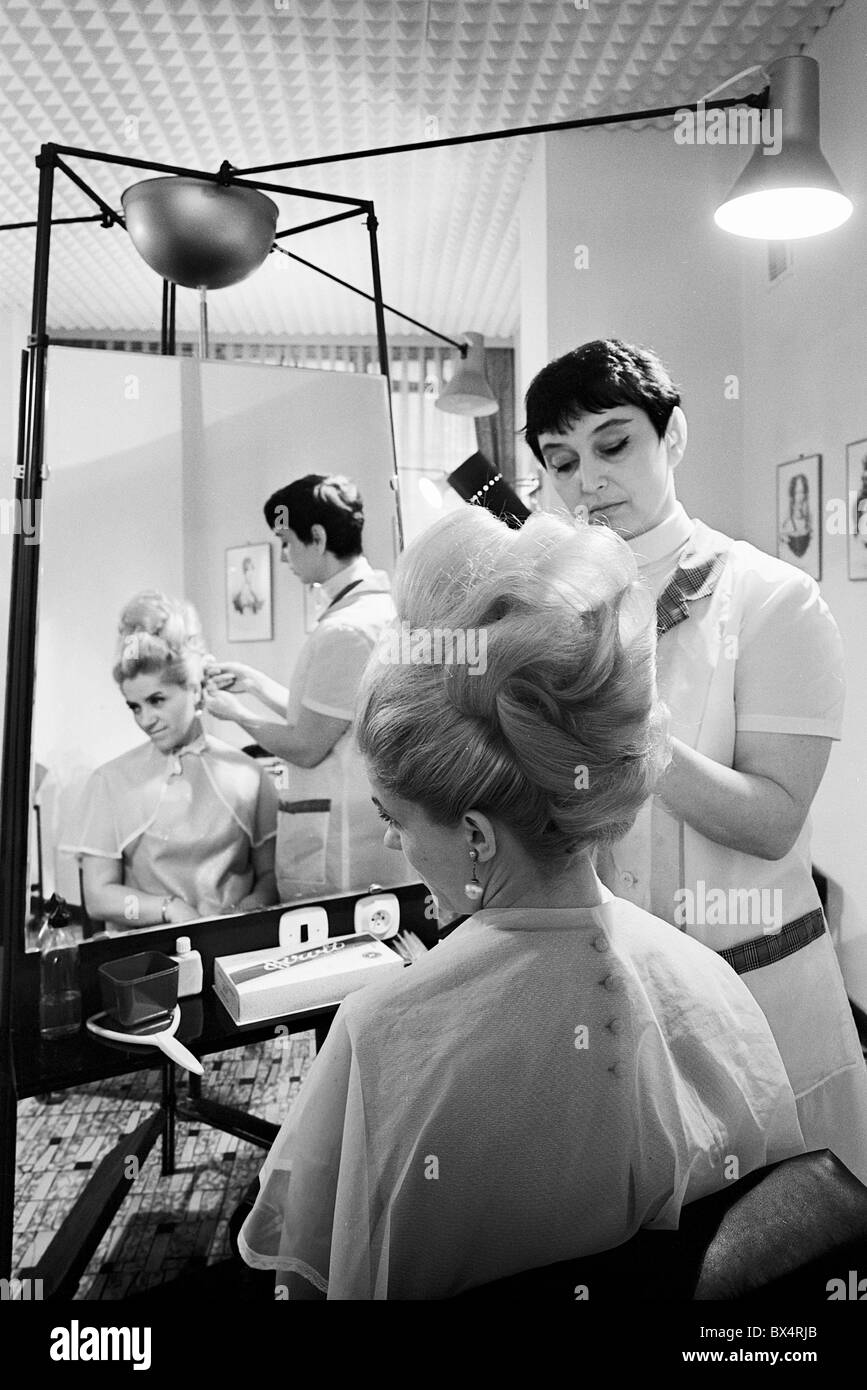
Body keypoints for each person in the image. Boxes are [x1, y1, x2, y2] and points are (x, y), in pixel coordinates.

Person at [237, 507, 805, 1300]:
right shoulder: (715, 988)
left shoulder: (382, 1034)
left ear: (474, 832)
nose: (399, 847)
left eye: (396, 820)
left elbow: (307, 1282)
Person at [523, 337, 867, 1185]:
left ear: (672, 437)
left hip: (754, 987)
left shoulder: (772, 599)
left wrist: (628, 729)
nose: (587, 481)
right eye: (559, 462)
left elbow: (773, 819)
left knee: (780, 1243)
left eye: (613, 443)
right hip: (611, 986)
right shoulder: (555, 609)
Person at [205, 474, 415, 900]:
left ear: (316, 538)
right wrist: (256, 685)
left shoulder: (347, 629)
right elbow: (329, 716)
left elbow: (307, 745)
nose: (283, 557)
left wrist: (234, 714)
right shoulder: (372, 611)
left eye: (286, 542)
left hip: (346, 835)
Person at [72, 591, 278, 929]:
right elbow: (98, 899)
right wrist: (170, 909)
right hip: (147, 957)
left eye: (157, 700)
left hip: (233, 947)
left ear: (195, 689)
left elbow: (268, 875)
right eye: (134, 706)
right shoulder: (110, 780)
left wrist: (250, 907)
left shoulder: (248, 774)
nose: (145, 719)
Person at [778, 473, 812, 559]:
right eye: (798, 492)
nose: (801, 496)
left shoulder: (808, 523)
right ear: (792, 495)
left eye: (803, 492)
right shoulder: (788, 524)